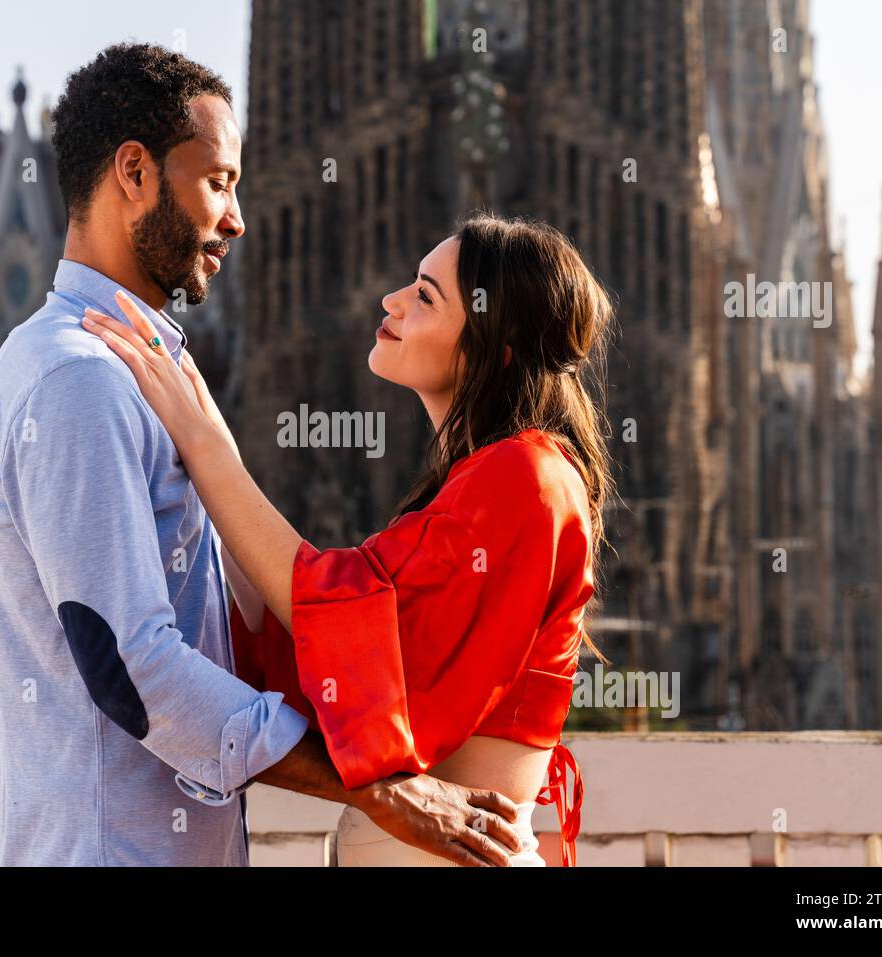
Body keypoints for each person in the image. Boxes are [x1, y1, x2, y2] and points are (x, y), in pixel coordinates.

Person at [0, 42, 524, 866]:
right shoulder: (74, 381)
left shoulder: (135, 369)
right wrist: (376, 783)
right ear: (135, 173)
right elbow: (133, 668)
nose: (237, 217)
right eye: (219, 181)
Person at [82, 211, 614, 866]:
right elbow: (329, 652)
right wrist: (199, 459)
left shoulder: (528, 475)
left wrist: (209, 450)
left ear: (493, 346)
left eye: (424, 295)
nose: (390, 301)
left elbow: (358, 638)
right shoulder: (489, 477)